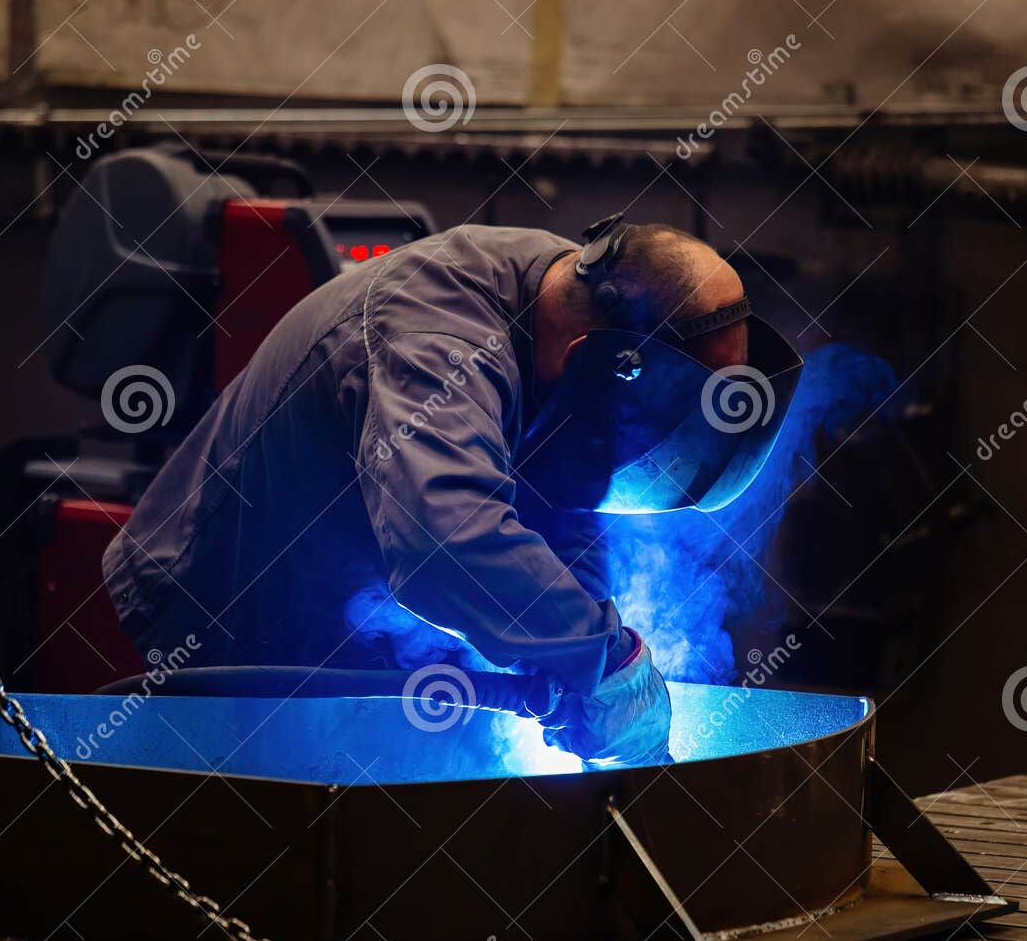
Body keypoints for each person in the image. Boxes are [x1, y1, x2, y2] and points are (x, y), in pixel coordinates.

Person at [102, 216, 800, 765]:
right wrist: (598, 656)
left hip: (349, 605)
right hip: (224, 619)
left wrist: (578, 656)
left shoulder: (573, 303)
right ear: (601, 362)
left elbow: (561, 490)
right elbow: (445, 539)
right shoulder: (435, 342)